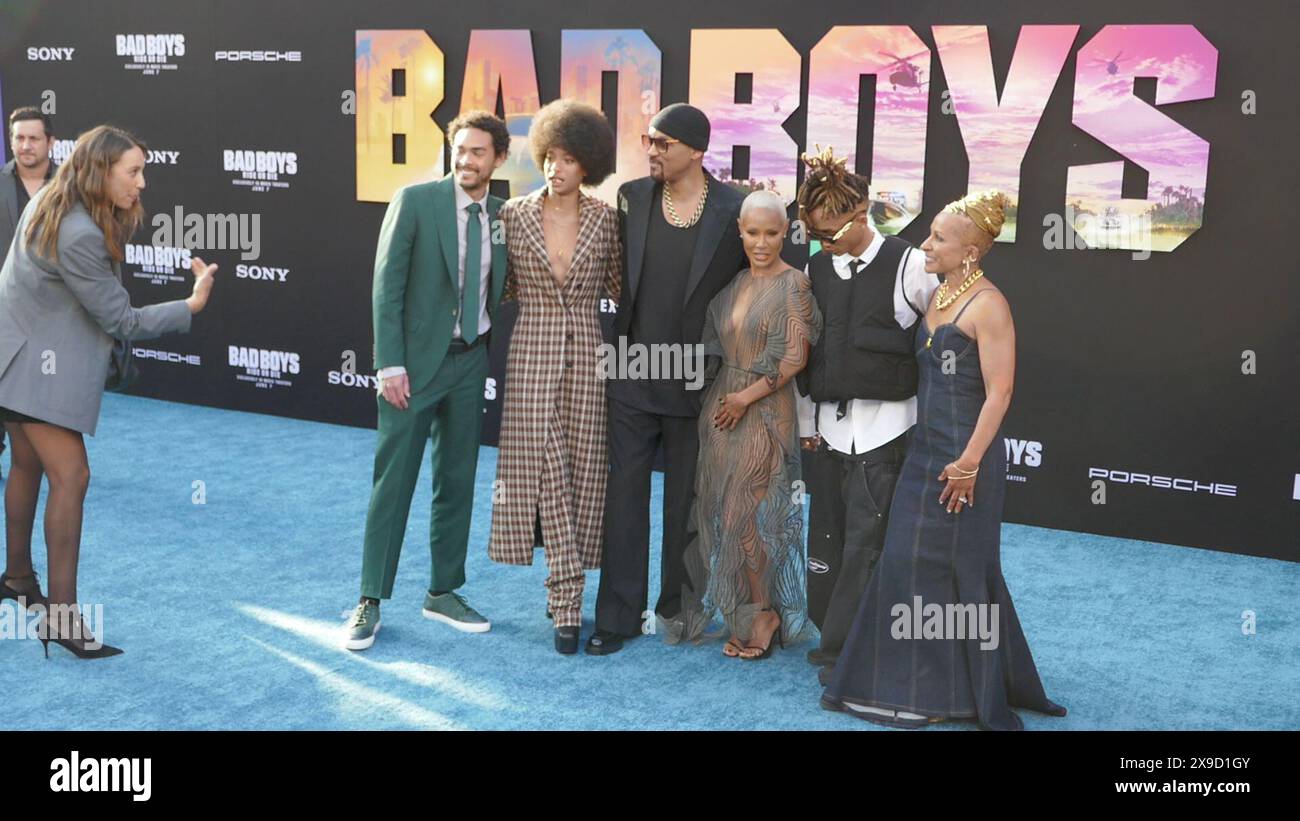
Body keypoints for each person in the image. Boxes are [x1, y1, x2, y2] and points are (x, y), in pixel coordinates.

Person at [820, 191, 1067, 730]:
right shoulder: (939, 295)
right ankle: (907, 679)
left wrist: (970, 463)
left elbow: (1000, 393)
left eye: (938, 238)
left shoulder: (989, 306)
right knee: (906, 563)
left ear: (971, 251)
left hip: (966, 457)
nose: (926, 244)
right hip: (924, 453)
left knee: (958, 569)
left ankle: (951, 688)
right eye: (928, 233)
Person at [0, 125, 215, 658]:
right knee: (72, 475)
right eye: (133, 172)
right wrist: (190, 306)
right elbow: (121, 318)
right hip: (30, 369)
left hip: (14, 356)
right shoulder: (77, 231)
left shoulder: (54, 199)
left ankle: (18, 578)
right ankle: (62, 619)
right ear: (101, 172)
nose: (142, 183)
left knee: (27, 465)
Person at [343, 111, 509, 651]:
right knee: (393, 483)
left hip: (471, 363)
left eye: (478, 152)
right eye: (460, 149)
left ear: (498, 159)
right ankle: (370, 598)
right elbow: (385, 286)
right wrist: (388, 364)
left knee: (457, 480)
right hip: (412, 367)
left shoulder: (504, 217)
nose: (466, 159)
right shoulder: (416, 201)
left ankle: (443, 590)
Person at [586, 103, 747, 656]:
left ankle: (678, 610)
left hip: (698, 377)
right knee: (624, 497)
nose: (651, 151)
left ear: (697, 151)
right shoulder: (632, 196)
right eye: (648, 140)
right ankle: (616, 616)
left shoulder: (735, 206)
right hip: (632, 370)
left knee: (687, 502)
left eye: (663, 144)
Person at [793, 146, 937, 668]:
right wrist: (808, 426)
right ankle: (830, 634)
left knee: (868, 544)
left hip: (888, 434)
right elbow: (811, 354)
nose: (823, 243)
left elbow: (946, 346)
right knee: (828, 538)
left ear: (862, 216)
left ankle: (850, 652)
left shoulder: (912, 265)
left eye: (831, 233)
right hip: (829, 433)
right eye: (815, 235)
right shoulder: (817, 268)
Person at [487, 100, 621, 655]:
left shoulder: (608, 219)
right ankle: (567, 600)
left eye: (568, 159)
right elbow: (496, 282)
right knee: (543, 468)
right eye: (550, 156)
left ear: (587, 164)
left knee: (583, 472)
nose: (556, 168)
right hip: (530, 356)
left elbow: (621, 287)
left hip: (590, 360)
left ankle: (565, 584)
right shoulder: (512, 215)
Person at [677, 190, 821, 659]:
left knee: (745, 516)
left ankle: (762, 612)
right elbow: (713, 348)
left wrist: (745, 396)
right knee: (723, 516)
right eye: (753, 232)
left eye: (773, 233)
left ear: (787, 232)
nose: (762, 242)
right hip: (723, 410)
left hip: (765, 410)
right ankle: (745, 610)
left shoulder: (794, 284)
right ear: (740, 230)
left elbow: (795, 358)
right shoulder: (735, 284)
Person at [0, 107, 59, 472]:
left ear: (50, 142)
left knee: (46, 384)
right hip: (5, 306)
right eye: (18, 138)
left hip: (54, 308)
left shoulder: (70, 187)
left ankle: (45, 450)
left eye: (33, 138)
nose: (25, 145)